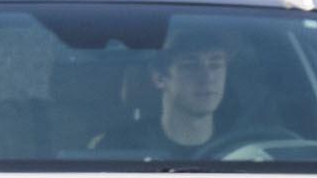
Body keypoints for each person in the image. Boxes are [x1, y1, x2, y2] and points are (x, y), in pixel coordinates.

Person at [95, 33, 233, 157]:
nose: (207, 78)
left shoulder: (242, 145)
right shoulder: (121, 147)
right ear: (159, 78)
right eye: (189, 66)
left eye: (215, 65)